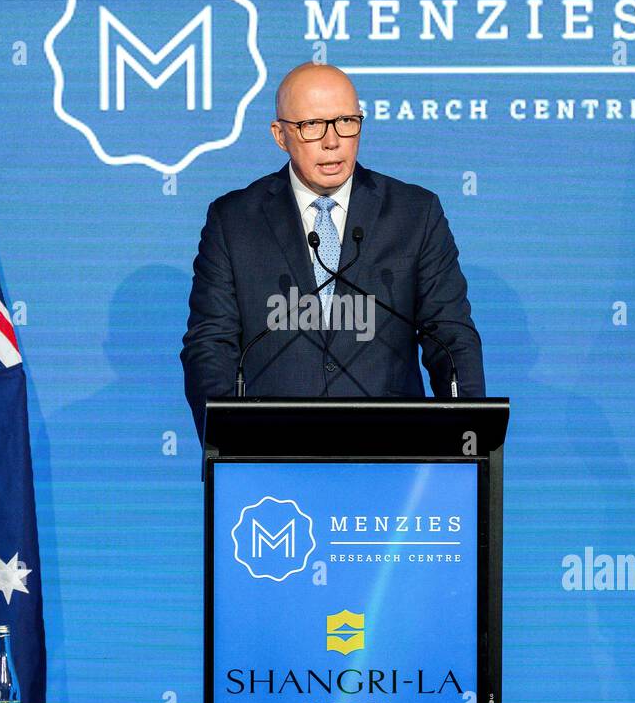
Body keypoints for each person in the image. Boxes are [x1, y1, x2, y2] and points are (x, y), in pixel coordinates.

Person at [180, 62, 485, 438]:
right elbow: (211, 345)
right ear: (280, 135)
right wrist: (228, 444)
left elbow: (451, 338)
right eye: (312, 126)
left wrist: (470, 444)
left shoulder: (414, 214)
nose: (332, 141)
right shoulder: (235, 221)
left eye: (346, 121)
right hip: (270, 454)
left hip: (391, 455)